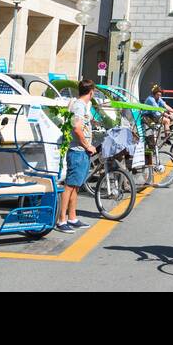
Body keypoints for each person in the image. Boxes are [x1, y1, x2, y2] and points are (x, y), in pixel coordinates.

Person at [56, 79, 96, 232]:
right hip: (77, 151)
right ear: (91, 92)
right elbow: (77, 128)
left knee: (76, 186)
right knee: (69, 186)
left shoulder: (83, 105)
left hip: (81, 152)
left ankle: (72, 217)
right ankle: (62, 220)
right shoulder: (79, 106)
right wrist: (88, 145)